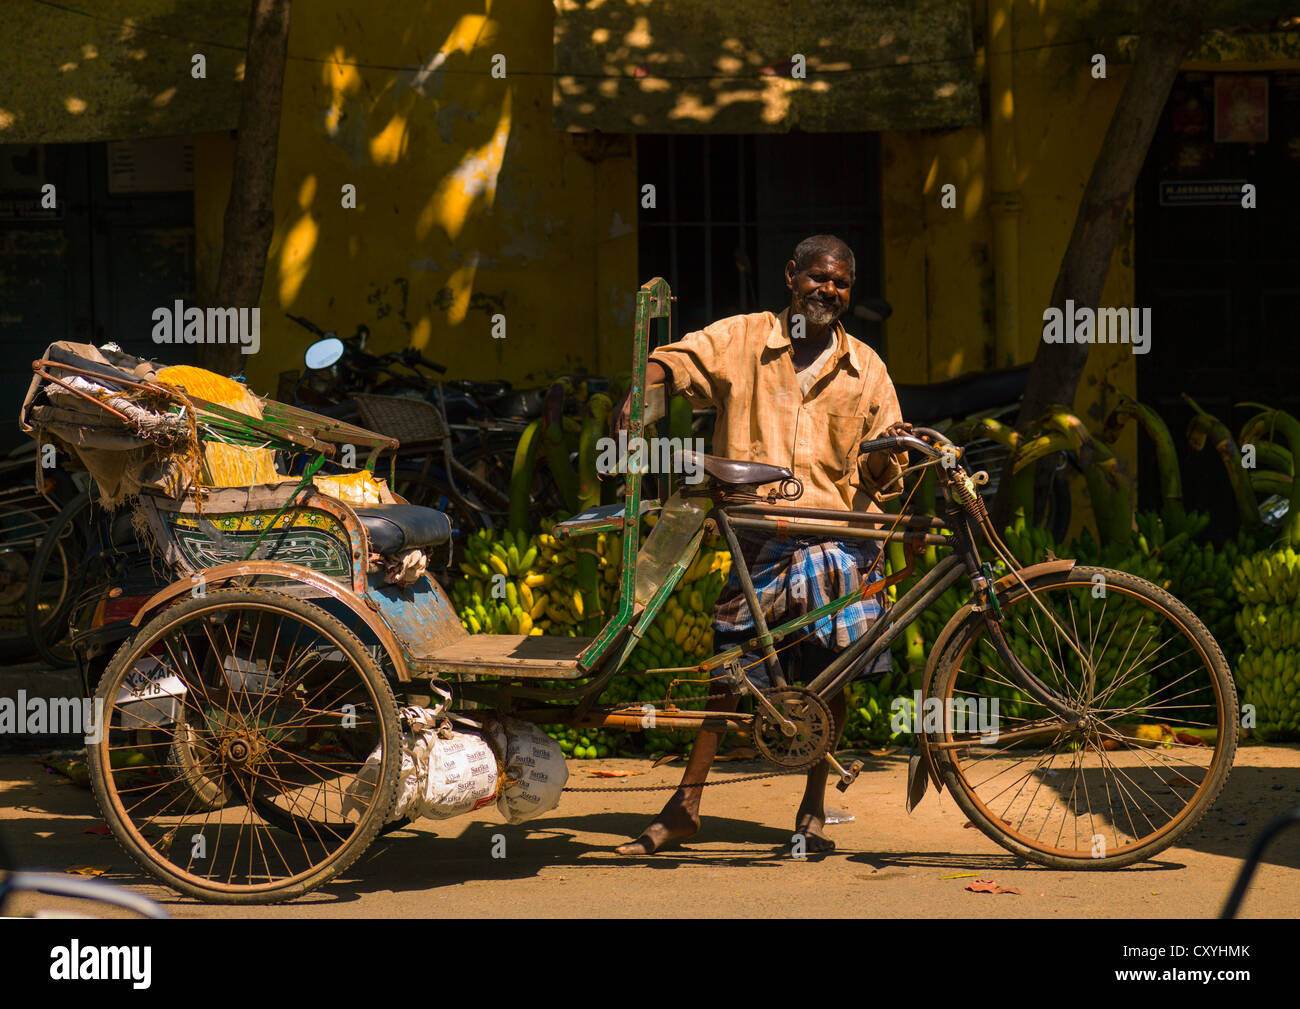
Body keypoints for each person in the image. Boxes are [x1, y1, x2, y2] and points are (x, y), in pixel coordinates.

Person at [612, 234, 912, 856]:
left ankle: (813, 808)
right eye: (818, 278)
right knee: (731, 670)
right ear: (791, 277)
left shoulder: (867, 368)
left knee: (831, 677)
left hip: (838, 536)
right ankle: (686, 805)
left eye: (841, 282)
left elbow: (889, 473)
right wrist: (642, 391)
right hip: (760, 534)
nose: (829, 290)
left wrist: (890, 456)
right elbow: (679, 360)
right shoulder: (746, 337)